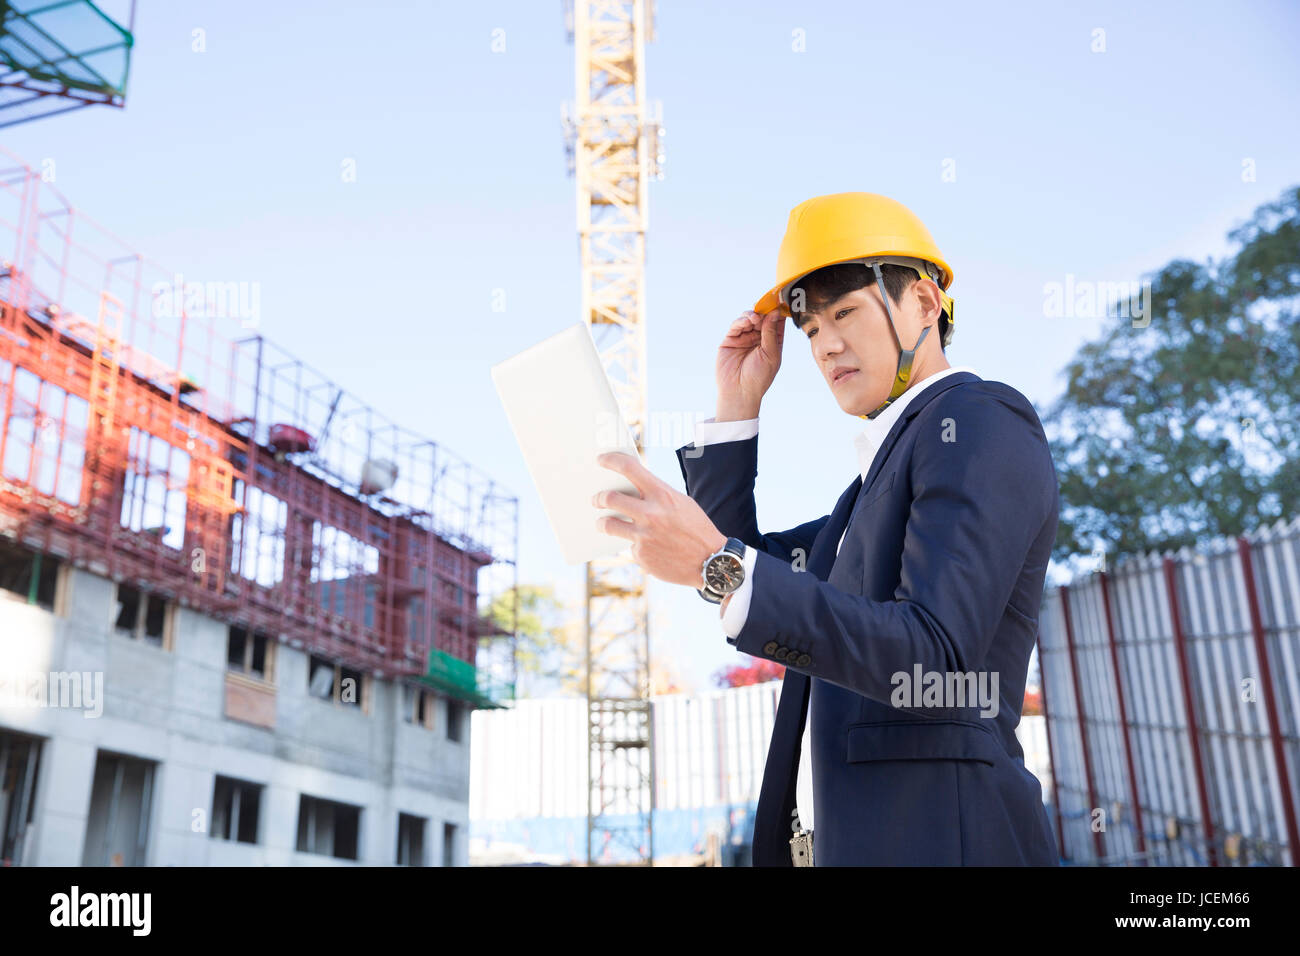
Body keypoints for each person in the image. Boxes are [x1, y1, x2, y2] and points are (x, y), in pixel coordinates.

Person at [594, 192, 1060, 866]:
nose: (826, 345)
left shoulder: (977, 420)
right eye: (811, 329)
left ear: (926, 305)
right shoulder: (862, 499)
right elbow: (760, 575)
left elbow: (934, 656)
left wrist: (714, 563)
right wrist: (737, 406)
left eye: (845, 313)